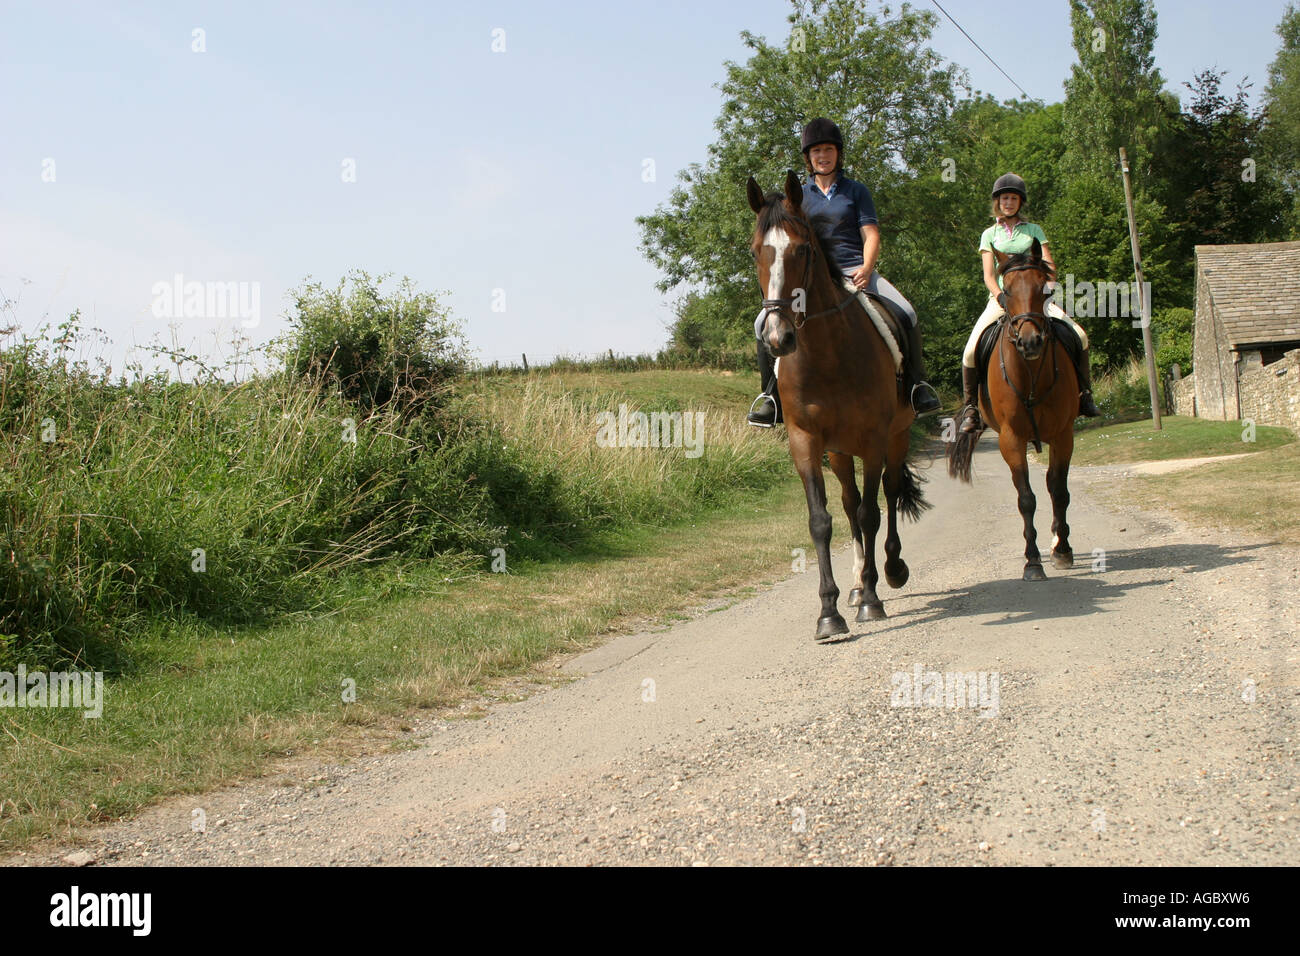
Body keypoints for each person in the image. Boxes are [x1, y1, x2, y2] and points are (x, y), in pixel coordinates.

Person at [748, 118, 941, 427]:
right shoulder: (797, 197)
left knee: (906, 312)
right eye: (816, 152)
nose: (822, 156)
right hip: (813, 279)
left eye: (828, 150)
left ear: (838, 153)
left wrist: (867, 267)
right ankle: (770, 397)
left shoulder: (856, 191)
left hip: (855, 268)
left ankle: (917, 385)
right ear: (808, 158)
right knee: (762, 324)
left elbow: (871, 234)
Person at [958, 173, 1100, 434]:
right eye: (1004, 198)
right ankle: (971, 408)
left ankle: (1085, 395)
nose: (1008, 202)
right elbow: (989, 275)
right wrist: (1000, 296)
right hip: (1001, 300)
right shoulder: (989, 234)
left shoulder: (1034, 230)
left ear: (1020, 202)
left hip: (1035, 300)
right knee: (970, 350)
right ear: (997, 202)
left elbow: (1049, 266)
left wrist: (1048, 289)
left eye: (1013, 198)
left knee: (1079, 335)